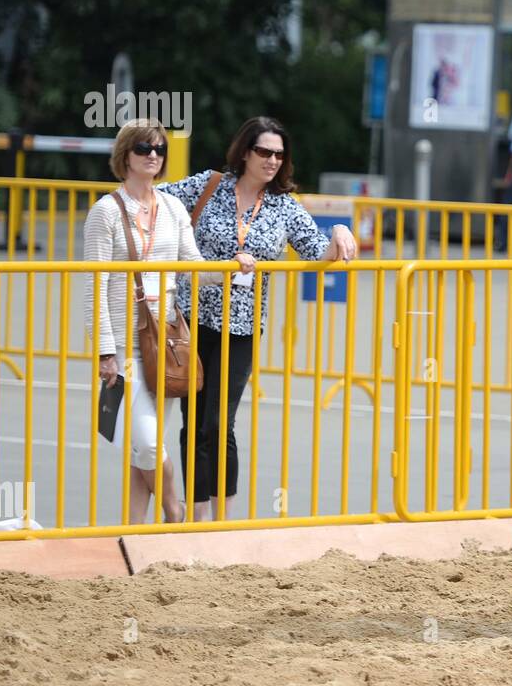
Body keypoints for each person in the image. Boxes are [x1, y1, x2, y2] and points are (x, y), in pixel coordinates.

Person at [158, 117, 357, 521]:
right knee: (191, 421)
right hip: (193, 316)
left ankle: (221, 519)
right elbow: (154, 200)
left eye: (279, 154)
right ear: (245, 151)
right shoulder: (208, 185)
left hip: (243, 326)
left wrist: (338, 228)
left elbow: (316, 252)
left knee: (217, 422)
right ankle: (194, 517)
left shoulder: (284, 205)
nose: (272, 161)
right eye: (265, 152)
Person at [83, 118, 218, 525]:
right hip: (125, 344)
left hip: (167, 341)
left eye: (160, 149)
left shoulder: (173, 207)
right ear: (125, 154)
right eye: (144, 148)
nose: (154, 156)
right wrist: (105, 350)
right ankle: (174, 512)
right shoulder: (105, 212)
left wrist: (234, 267)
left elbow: (191, 264)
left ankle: (134, 530)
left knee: (147, 446)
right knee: (145, 444)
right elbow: (94, 285)